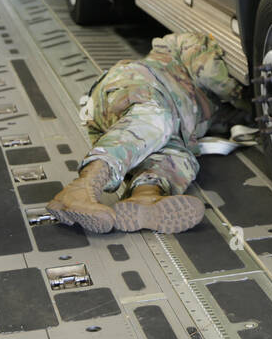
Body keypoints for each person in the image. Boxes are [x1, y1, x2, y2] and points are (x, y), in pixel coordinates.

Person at [48, 32, 248, 234]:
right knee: (155, 119)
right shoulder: (185, 44)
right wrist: (245, 96)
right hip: (135, 84)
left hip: (164, 124)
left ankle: (145, 195)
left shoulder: (208, 105)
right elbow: (212, 74)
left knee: (179, 158)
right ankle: (83, 186)